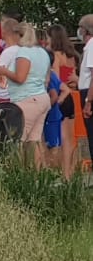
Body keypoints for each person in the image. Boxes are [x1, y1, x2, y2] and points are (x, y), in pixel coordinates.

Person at [0, 20, 52, 167]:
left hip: (26, 99)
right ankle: (37, 177)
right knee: (34, 141)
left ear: (20, 35)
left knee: (15, 141)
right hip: (41, 97)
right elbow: (46, 78)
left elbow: (20, 77)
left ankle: (17, 176)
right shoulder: (42, 52)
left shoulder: (24, 52)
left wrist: (4, 71)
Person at [48, 24, 79, 179]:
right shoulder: (71, 55)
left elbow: (57, 80)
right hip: (72, 97)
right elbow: (72, 79)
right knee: (71, 137)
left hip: (61, 97)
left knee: (63, 138)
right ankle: (70, 171)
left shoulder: (55, 55)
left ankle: (63, 173)